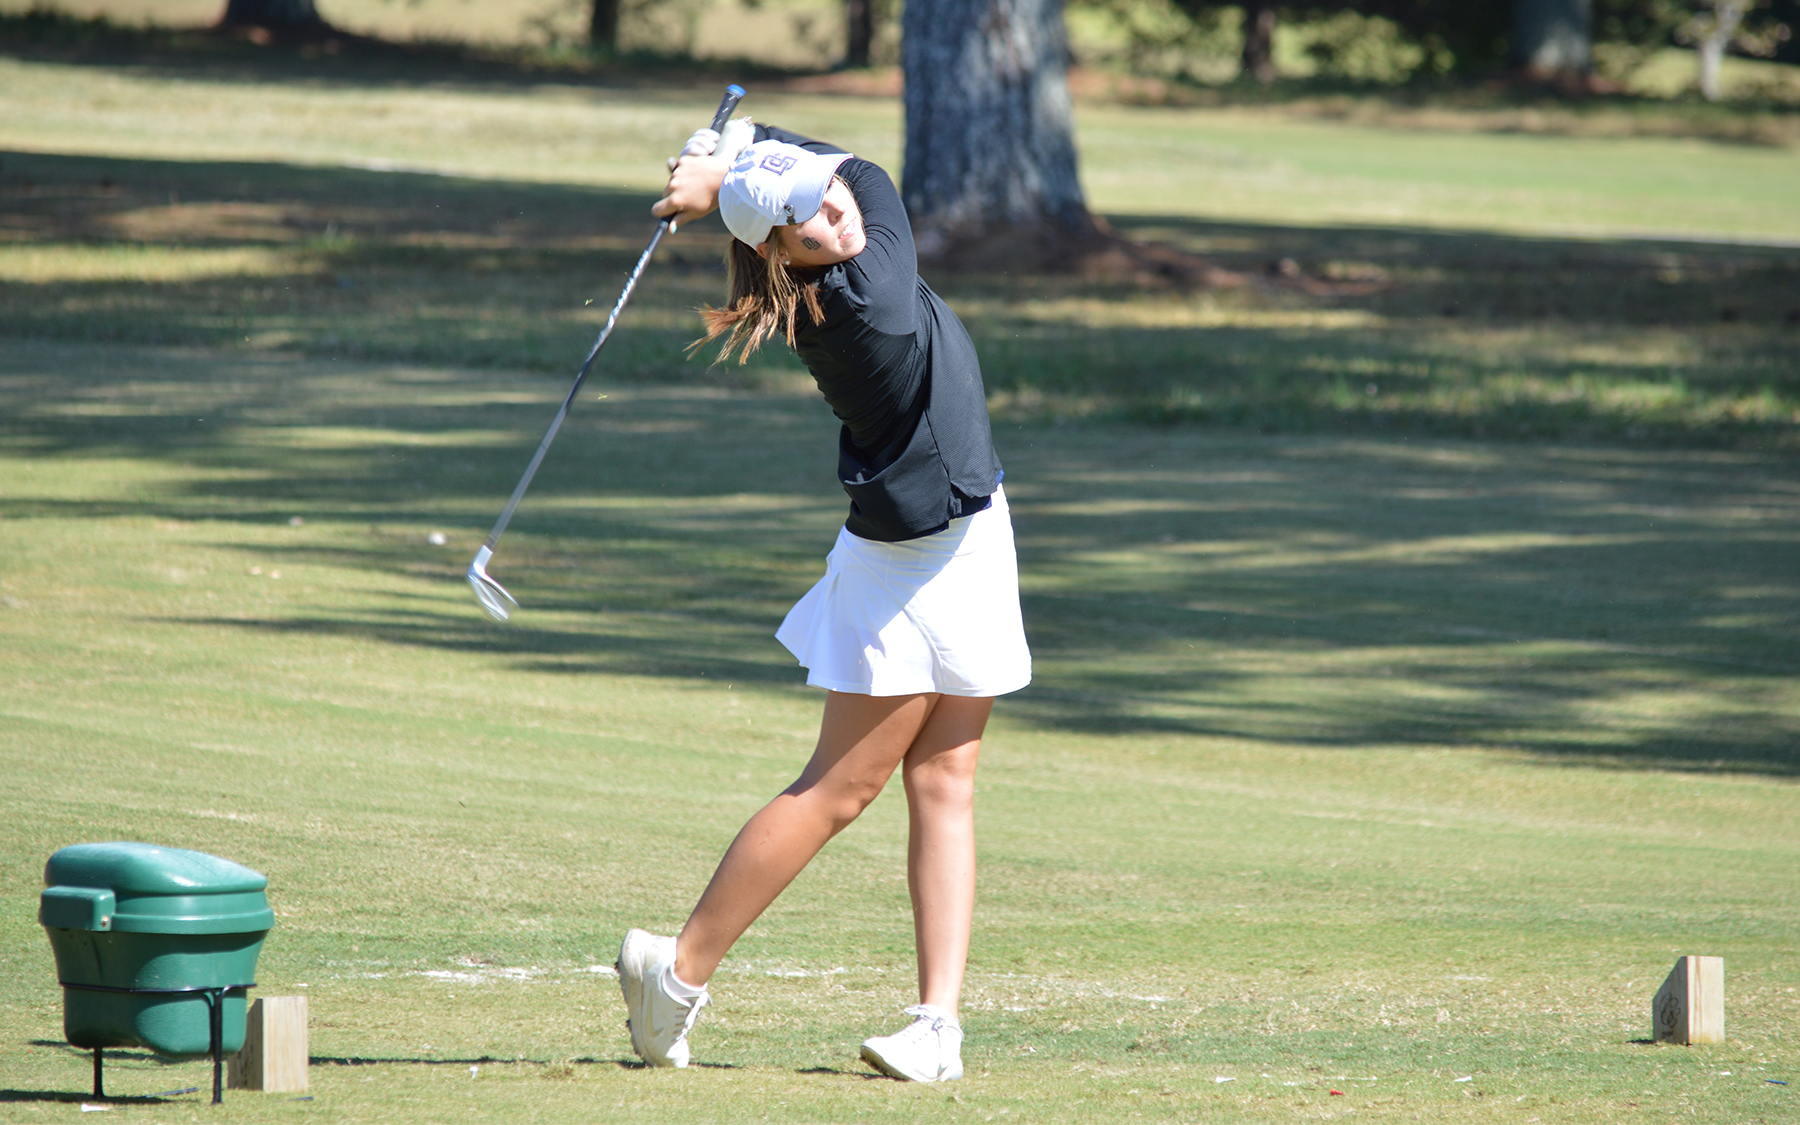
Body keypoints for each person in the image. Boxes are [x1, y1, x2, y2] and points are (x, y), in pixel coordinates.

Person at [615, 118, 1030, 1084]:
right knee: (839, 788)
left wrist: (738, 144)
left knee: (948, 779)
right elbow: (865, 167)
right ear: (781, 255)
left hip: (970, 532)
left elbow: (832, 173)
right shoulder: (868, 294)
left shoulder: (828, 252)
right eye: (807, 223)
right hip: (910, 566)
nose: (836, 218)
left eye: (826, 201)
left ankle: (936, 1027)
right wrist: (729, 167)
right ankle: (676, 973)